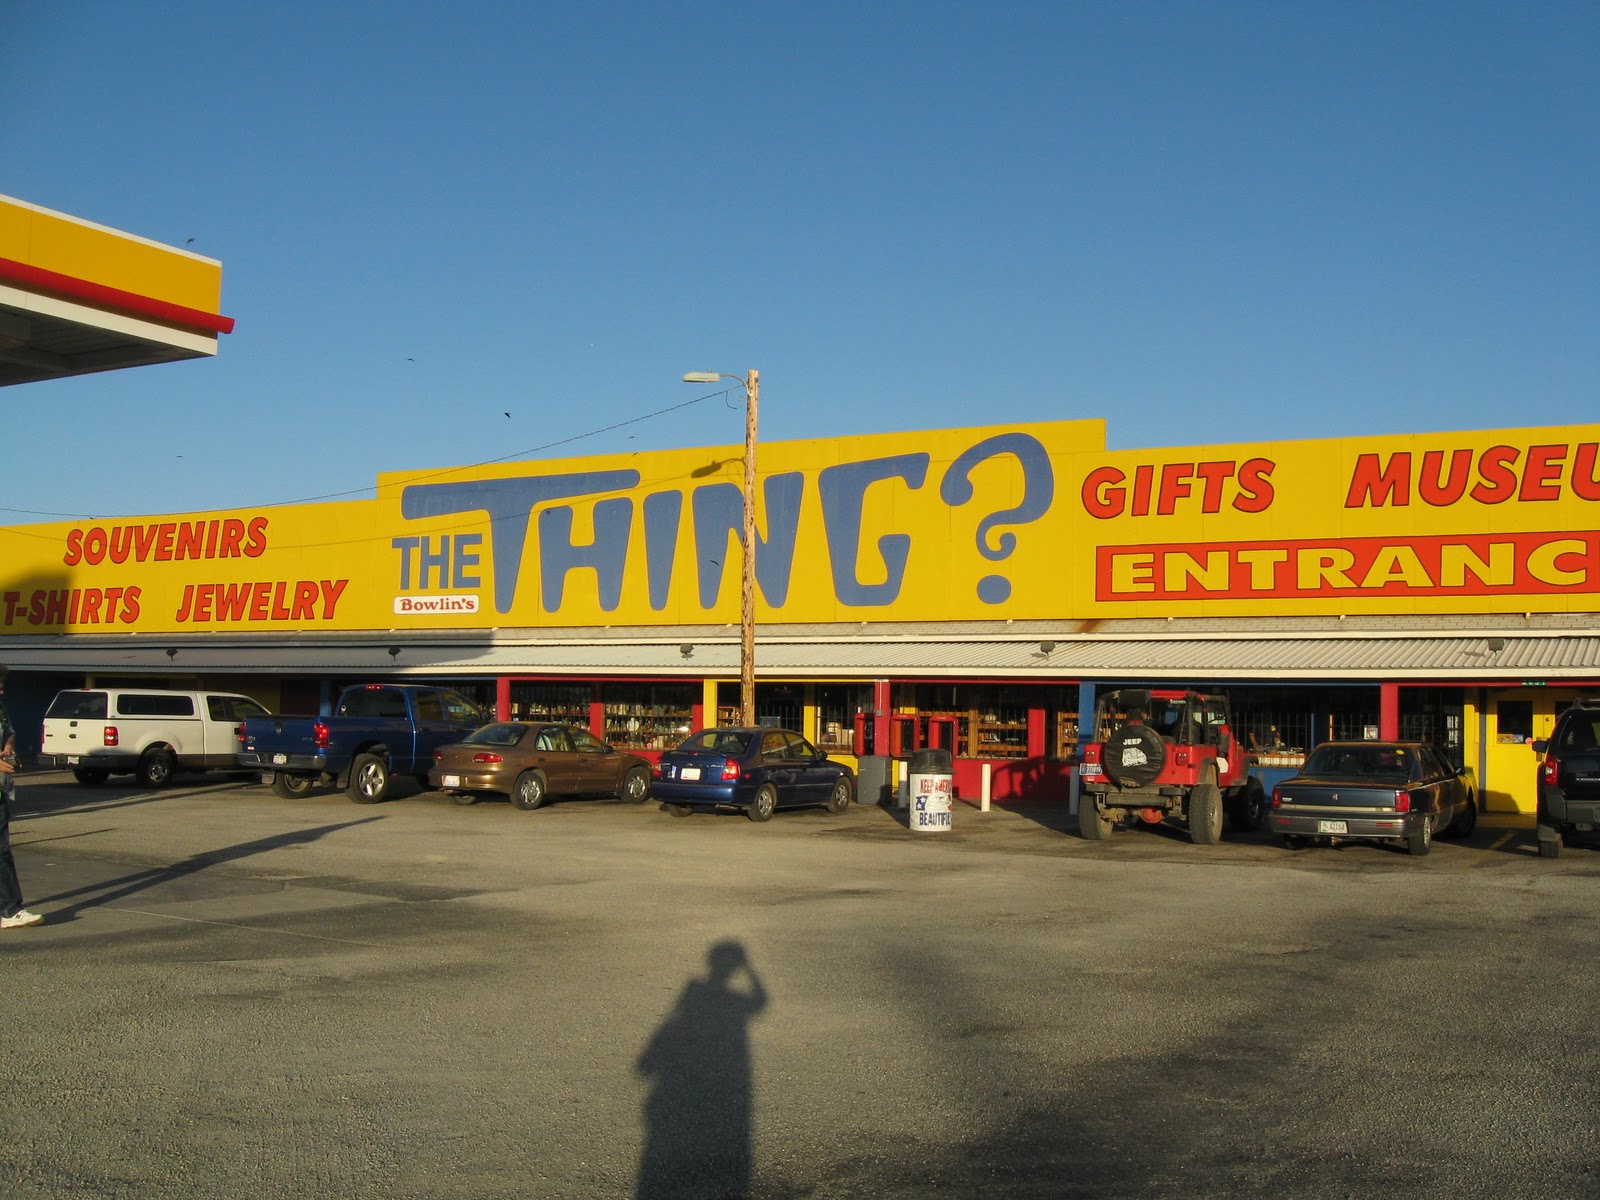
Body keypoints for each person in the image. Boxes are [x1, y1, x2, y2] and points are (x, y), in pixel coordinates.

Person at [0, 666, 42, 929]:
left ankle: (9, 910)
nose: (2, 690)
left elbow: (11, 733)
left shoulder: (2, 710)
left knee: (2, 852)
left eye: (3, 684)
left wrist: (8, 747)